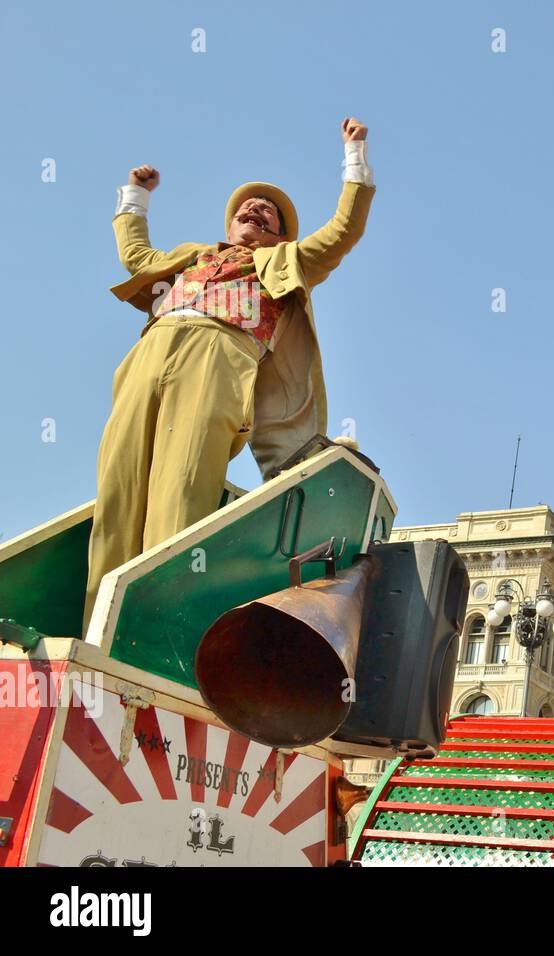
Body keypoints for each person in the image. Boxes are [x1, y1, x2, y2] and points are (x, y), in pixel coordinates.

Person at [83, 118, 376, 634]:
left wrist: (354, 155)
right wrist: (136, 196)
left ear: (282, 235)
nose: (254, 209)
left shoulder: (288, 261)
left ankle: (155, 628)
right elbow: (136, 257)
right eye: (248, 206)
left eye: (269, 211)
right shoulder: (192, 258)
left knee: (182, 488)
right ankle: (97, 627)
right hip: (151, 353)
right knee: (117, 489)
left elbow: (342, 231)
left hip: (219, 358)